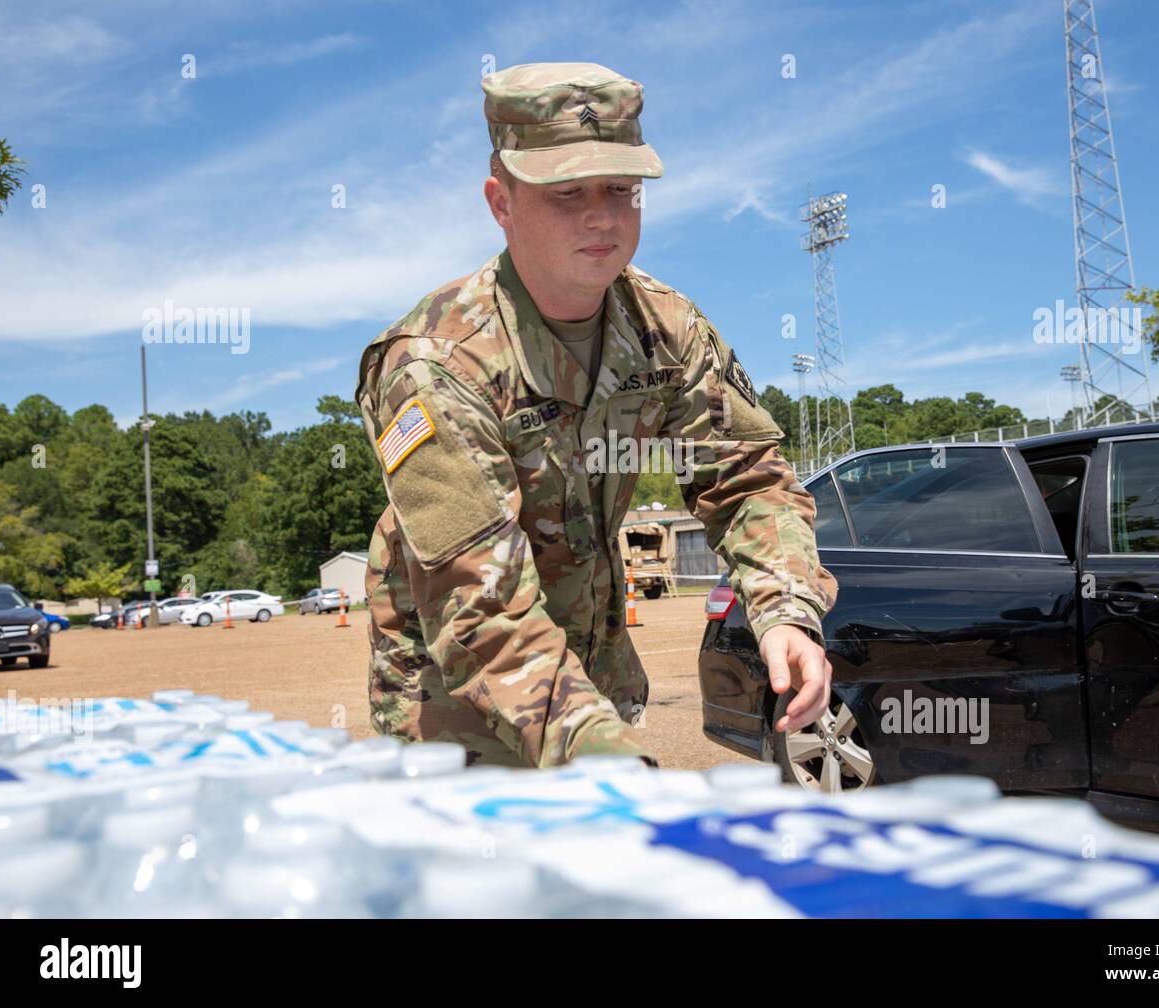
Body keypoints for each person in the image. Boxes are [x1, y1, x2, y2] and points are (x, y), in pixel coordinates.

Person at [357, 62, 837, 768]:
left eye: (622, 189)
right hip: (461, 723)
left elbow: (745, 477)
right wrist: (607, 758)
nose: (602, 216)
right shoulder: (435, 363)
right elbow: (480, 605)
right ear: (502, 201)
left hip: (597, 684)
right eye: (566, 192)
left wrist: (785, 610)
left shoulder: (666, 327)